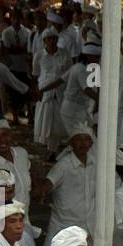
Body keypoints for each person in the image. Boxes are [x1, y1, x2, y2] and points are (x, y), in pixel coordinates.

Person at [38, 128, 96, 246]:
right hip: (62, 225)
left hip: (85, 227)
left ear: (91, 142)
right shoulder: (64, 165)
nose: (83, 144)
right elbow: (50, 182)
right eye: (78, 139)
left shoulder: (95, 164)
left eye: (86, 139)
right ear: (71, 143)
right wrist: (41, 189)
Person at [31, 25, 69, 153]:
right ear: (44, 41)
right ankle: (50, 147)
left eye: (54, 39)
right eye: (49, 39)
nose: (52, 41)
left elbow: (69, 73)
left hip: (61, 92)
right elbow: (35, 75)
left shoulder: (65, 54)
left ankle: (56, 146)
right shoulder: (39, 55)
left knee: (60, 120)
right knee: (46, 121)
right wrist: (36, 91)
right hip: (44, 92)